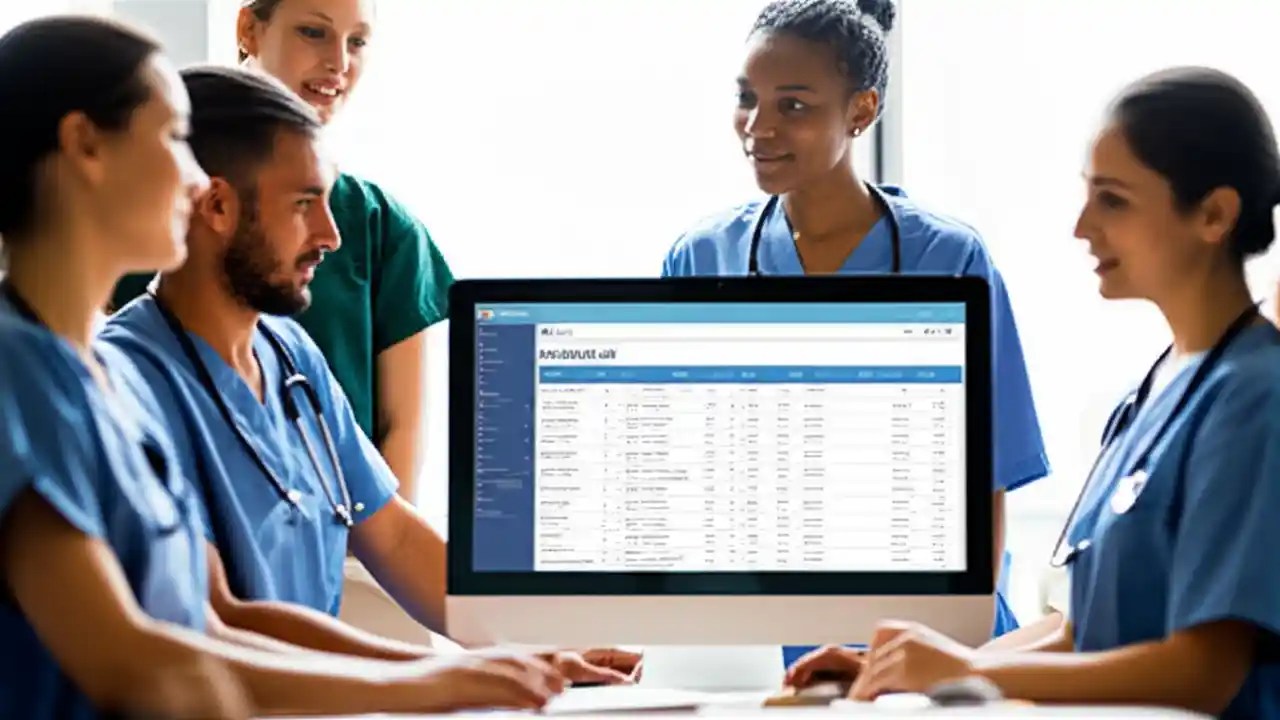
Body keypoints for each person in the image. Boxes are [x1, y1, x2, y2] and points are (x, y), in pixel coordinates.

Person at [0, 15, 564, 719]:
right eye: (175, 140)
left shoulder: (98, 380)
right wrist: (426, 685)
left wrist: (504, 655)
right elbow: (136, 659)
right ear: (86, 144)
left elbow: (201, 629)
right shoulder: (27, 373)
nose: (195, 178)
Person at [98, 63, 628, 684]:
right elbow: (218, 617)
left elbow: (394, 536)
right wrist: (441, 674)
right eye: (303, 205)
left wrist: (543, 640)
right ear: (217, 205)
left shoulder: (292, 356)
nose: (331, 234)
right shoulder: (125, 382)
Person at [788, 66, 1280, 719]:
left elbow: (1203, 671)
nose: (1081, 226)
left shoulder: (1255, 398)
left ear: (1214, 214)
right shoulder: (1147, 398)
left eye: (1113, 200)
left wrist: (965, 669)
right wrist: (909, 670)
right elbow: (1079, 632)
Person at [661, 0, 1048, 658]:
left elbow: (986, 484)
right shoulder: (701, 257)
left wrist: (951, 642)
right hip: (757, 637)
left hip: (922, 629)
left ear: (862, 111)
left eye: (794, 105)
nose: (758, 126)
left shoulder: (950, 260)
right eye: (747, 98)